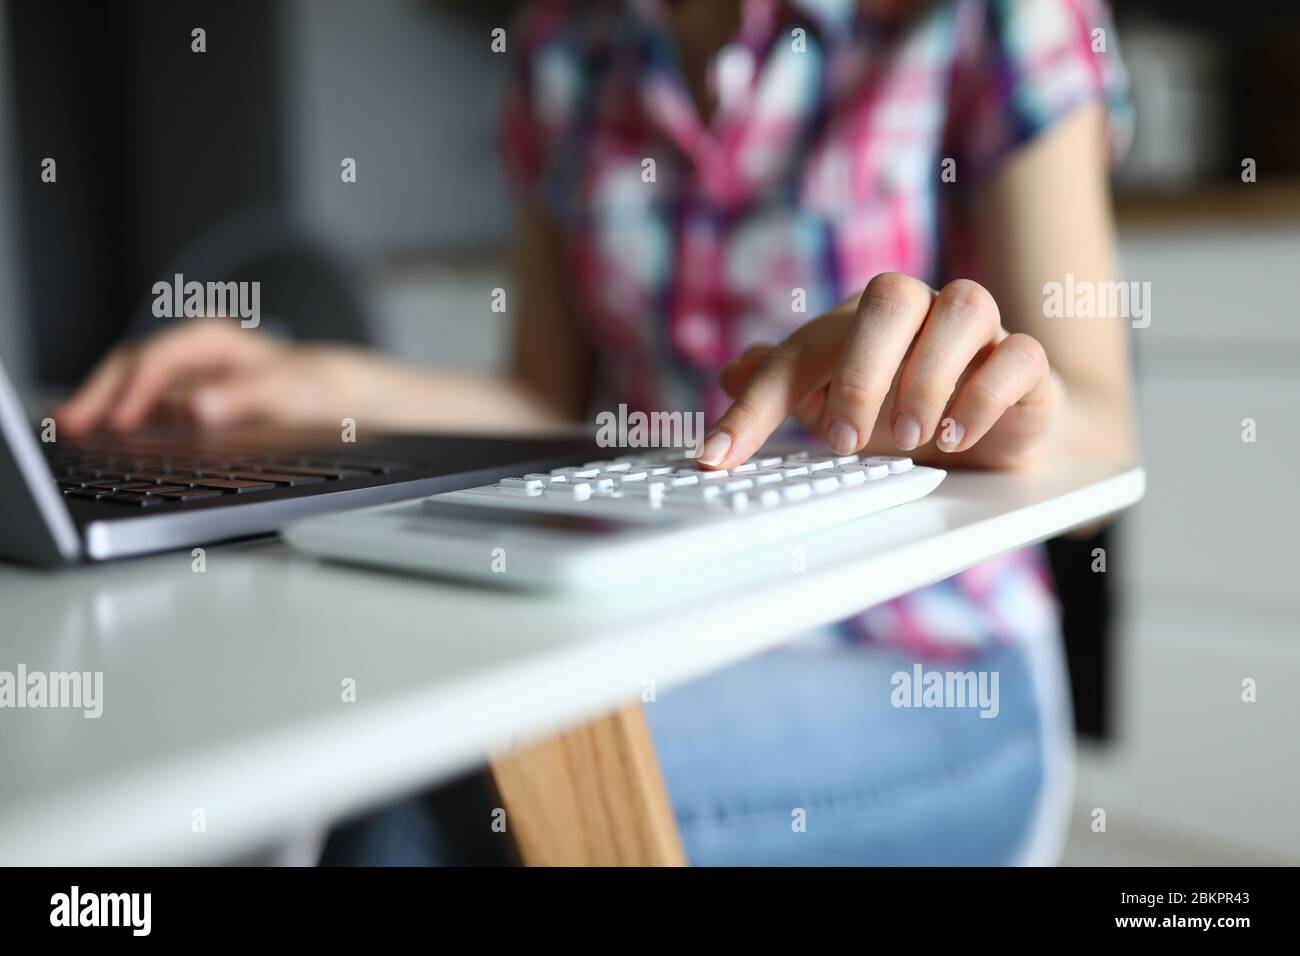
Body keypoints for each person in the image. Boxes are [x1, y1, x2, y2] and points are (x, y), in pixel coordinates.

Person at [56, 0, 1136, 865]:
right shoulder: (564, 43)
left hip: (925, 668)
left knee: (443, 816)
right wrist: (322, 379)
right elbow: (547, 400)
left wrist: (977, 394)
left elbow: (1099, 419)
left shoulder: (995, 17)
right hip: (638, 635)